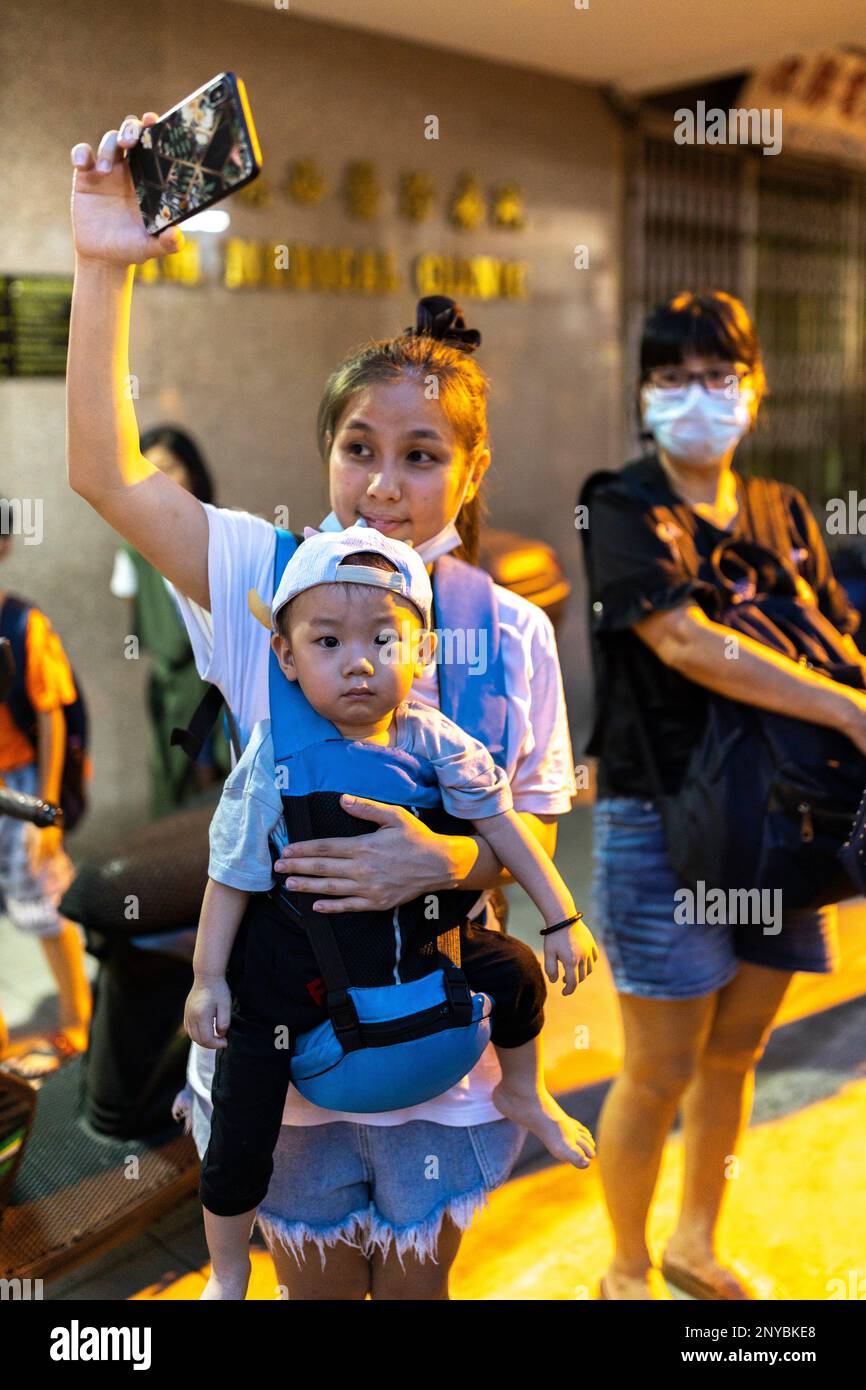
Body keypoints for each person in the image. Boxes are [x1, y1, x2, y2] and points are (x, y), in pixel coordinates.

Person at [67, 111, 583, 1297]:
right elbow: (102, 470)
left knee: (412, 1292)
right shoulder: (266, 578)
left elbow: (533, 832)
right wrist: (101, 260)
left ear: (466, 472)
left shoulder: (510, 633)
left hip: (439, 1048)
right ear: (325, 456)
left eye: (418, 454)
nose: (384, 485)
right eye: (359, 448)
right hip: (287, 1057)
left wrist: (439, 865)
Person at [186, 527, 597, 1298]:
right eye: (329, 642)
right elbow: (231, 873)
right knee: (245, 1099)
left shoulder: (434, 738)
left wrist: (562, 917)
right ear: (287, 657)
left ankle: (522, 1089)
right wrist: (208, 977)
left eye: (384, 638)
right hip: (300, 959)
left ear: (424, 651)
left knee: (511, 974)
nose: (360, 661)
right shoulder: (274, 755)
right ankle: (230, 1266)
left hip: (414, 938)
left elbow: (505, 826)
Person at [581, 290, 866, 1301]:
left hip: (782, 827)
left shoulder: (782, 511)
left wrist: (847, 701)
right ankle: (621, 1264)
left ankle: (692, 1241)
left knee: (734, 1052)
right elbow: (684, 640)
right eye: (669, 376)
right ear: (641, 394)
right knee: (655, 1068)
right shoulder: (618, 504)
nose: (695, 396)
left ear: (753, 387)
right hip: (657, 822)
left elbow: (836, 635)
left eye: (715, 374)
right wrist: (843, 708)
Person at [0, 525, 91, 1079]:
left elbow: (53, 714)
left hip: (23, 783)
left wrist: (46, 811)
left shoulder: (23, 624)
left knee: (44, 900)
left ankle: (76, 1019)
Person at [110, 425, 229, 818]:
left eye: (171, 466)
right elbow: (144, 620)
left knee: (230, 780)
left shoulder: (226, 533)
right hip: (175, 689)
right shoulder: (133, 551)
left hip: (228, 680)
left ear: (192, 471)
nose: (161, 478)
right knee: (181, 781)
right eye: (150, 468)